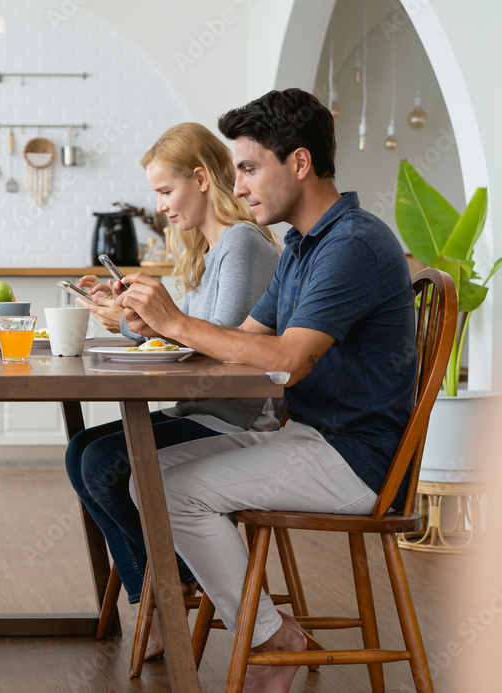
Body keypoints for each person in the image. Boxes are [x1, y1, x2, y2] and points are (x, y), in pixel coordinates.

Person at [118, 88, 417, 692]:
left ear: (299, 163)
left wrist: (177, 321)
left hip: (357, 458)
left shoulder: (352, 244)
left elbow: (286, 360)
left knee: (172, 491)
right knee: (143, 476)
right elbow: (244, 340)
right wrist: (157, 322)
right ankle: (267, 631)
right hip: (309, 437)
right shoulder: (304, 245)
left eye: (250, 168)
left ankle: (271, 639)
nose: (239, 186)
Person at [65, 122, 282, 658]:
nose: (160, 206)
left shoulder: (242, 243)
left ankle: (168, 593)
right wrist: (125, 316)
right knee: (82, 452)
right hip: (205, 409)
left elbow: (219, 343)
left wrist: (135, 322)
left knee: (101, 463)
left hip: (240, 420)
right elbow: (182, 331)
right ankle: (164, 590)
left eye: (166, 191)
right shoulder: (211, 252)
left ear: (202, 179)